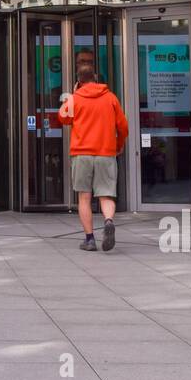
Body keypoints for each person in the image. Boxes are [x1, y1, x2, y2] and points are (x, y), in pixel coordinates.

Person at [57, 63, 128, 252]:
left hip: (82, 154)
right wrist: (118, 144)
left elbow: (62, 118)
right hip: (106, 153)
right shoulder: (110, 97)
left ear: (79, 80)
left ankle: (89, 240)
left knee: (84, 197)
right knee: (106, 194)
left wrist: (72, 96)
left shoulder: (75, 98)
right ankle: (108, 221)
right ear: (95, 77)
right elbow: (123, 126)